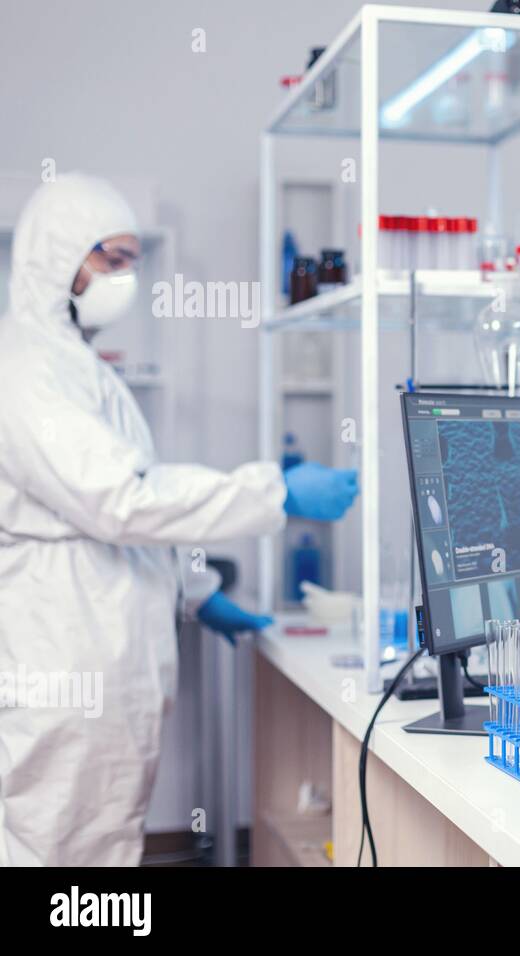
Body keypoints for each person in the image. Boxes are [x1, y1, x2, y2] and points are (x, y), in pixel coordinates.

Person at [0, 174, 358, 866]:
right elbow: (122, 500)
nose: (127, 277)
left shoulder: (81, 367)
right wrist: (275, 492)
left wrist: (195, 593)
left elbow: (120, 519)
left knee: (101, 846)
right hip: (66, 667)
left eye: (134, 260)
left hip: (106, 663)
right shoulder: (22, 368)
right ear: (55, 257)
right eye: (111, 258)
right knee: (56, 855)